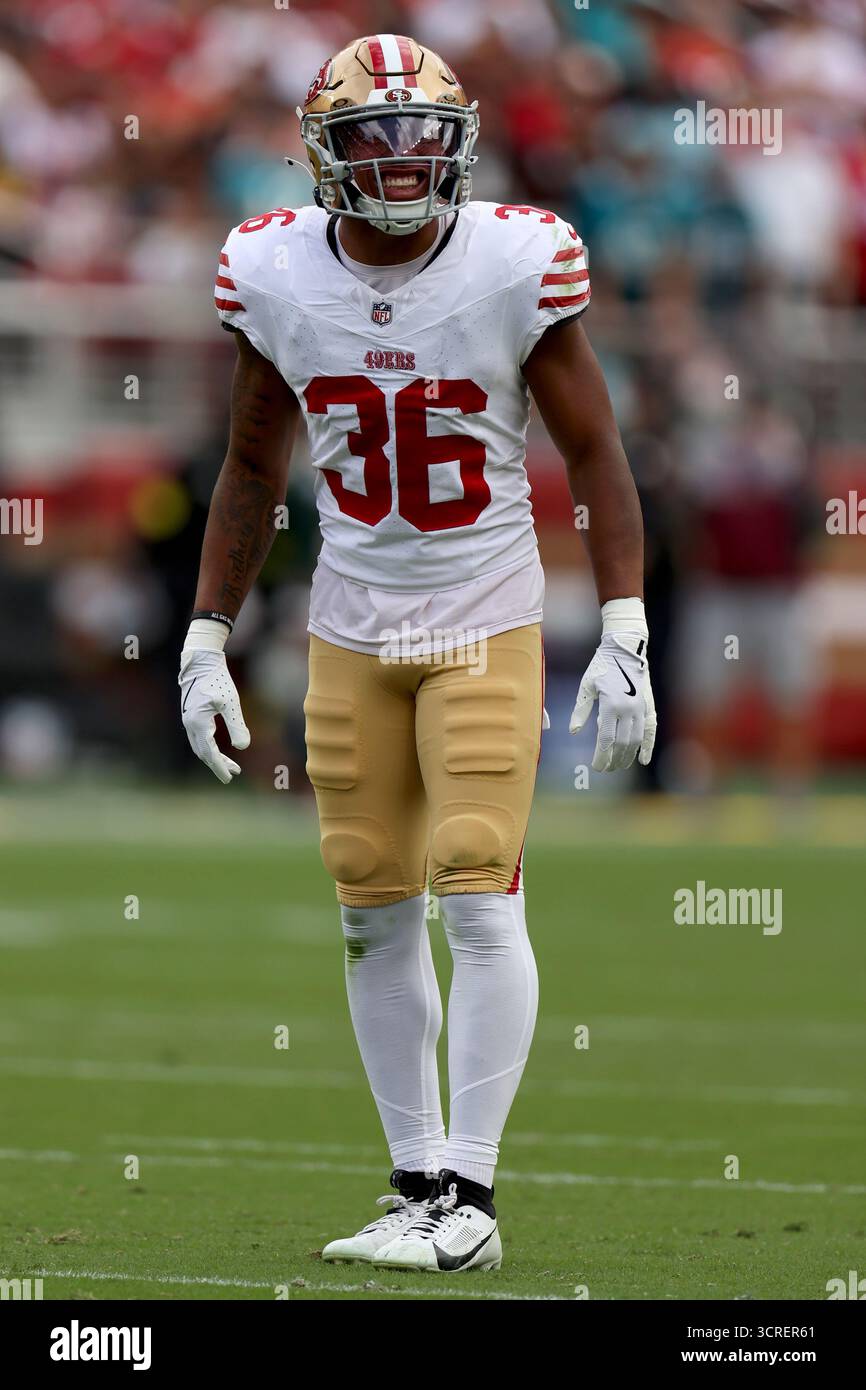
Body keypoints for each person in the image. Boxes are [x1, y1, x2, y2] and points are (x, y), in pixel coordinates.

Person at [179, 33, 655, 1274]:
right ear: (323, 153)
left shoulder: (513, 260)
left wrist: (623, 624)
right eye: (370, 139)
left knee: (474, 884)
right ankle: (414, 1182)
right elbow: (248, 464)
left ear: (458, 145)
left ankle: (475, 1204)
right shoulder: (272, 271)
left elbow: (594, 453)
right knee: (368, 904)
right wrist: (204, 633)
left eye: (418, 138)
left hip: (482, 610)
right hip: (347, 620)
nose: (396, 162)